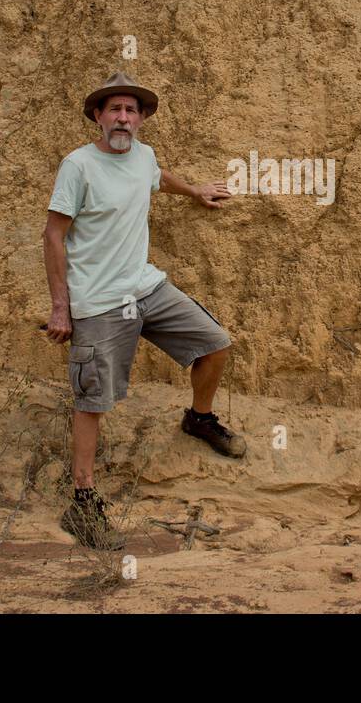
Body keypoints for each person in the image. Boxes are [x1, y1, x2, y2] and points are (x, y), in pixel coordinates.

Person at [42, 71, 244, 549]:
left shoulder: (144, 155)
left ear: (142, 120)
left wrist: (194, 190)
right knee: (93, 399)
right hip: (99, 301)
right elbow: (53, 234)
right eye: (115, 109)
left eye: (132, 111)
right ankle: (83, 501)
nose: (123, 118)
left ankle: (199, 417)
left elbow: (155, 178)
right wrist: (60, 307)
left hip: (145, 287)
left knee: (215, 344)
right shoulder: (78, 166)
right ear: (98, 116)